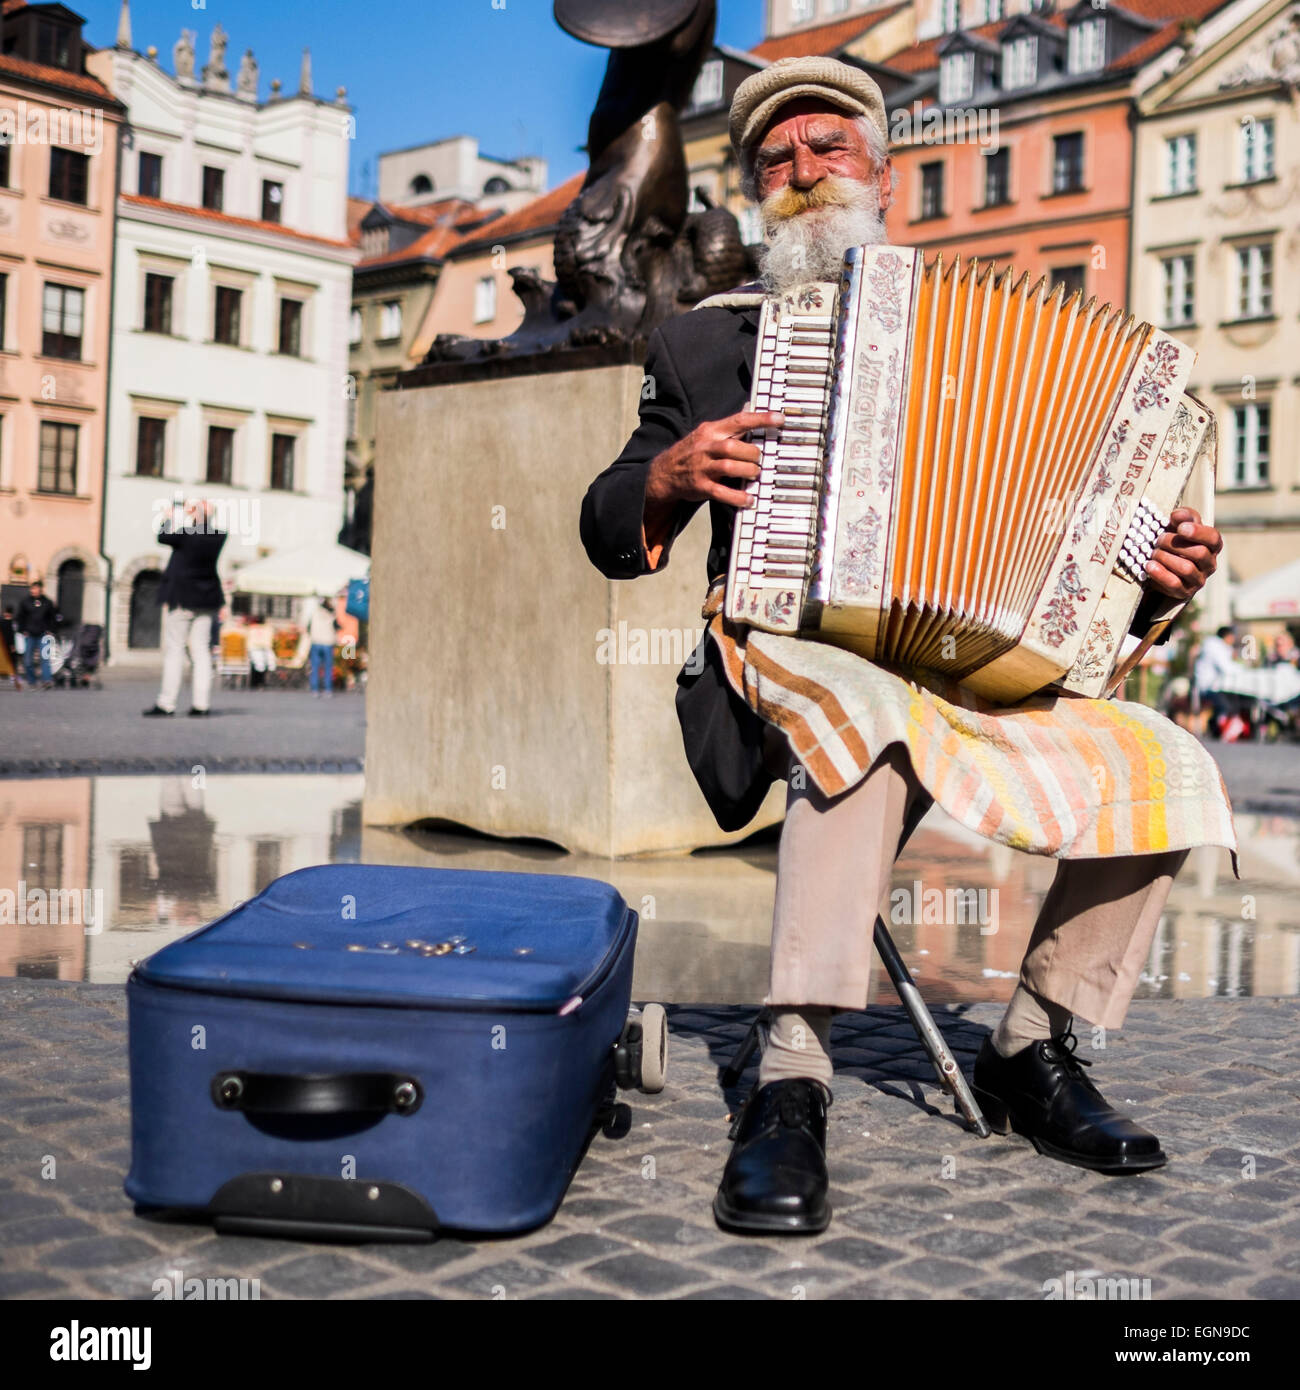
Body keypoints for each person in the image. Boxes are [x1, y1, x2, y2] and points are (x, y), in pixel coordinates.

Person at [580, 57, 1235, 1236]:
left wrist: (1155, 585)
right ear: (750, 190)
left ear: (881, 174)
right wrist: (667, 481)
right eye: (774, 160)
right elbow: (606, 521)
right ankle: (790, 1073)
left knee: (1165, 763)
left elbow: (1086, 562)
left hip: (968, 665)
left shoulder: (970, 331)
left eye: (828, 149)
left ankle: (1031, 1046)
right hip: (779, 645)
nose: (801, 174)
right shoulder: (703, 344)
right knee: (863, 719)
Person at [143, 498, 226, 718]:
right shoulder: (218, 536)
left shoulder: (186, 535)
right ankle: (201, 704)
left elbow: (162, 536)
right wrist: (199, 513)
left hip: (182, 597)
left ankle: (167, 703)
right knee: (201, 651)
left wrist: (169, 517)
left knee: (175, 649)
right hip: (207, 598)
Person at [1192, 625, 1240, 736]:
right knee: (1228, 705)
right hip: (1208, 686)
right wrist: (1243, 669)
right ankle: (1217, 728)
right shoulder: (1215, 647)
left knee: (1234, 700)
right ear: (1227, 637)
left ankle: (1221, 727)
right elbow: (1226, 668)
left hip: (1214, 685)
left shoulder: (1218, 647)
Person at [15, 578, 61, 689]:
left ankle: (47, 680)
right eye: (32, 589)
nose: (34, 591)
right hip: (29, 634)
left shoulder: (47, 602)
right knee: (27, 660)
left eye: (36, 589)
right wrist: (22, 630)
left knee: (45, 658)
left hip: (43, 635)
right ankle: (32, 681)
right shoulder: (25, 602)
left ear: (40, 589)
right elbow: (20, 617)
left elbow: (53, 618)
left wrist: (51, 630)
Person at [307, 595, 339, 698]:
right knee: (328, 667)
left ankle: (315, 689)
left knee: (315, 667)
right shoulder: (331, 614)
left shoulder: (314, 613)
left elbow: (308, 627)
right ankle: (328, 689)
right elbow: (337, 627)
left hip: (316, 641)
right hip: (328, 642)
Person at [0, 604, 19, 687]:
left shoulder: (4, 621)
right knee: (12, 660)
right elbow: (11, 635)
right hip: (8, 644)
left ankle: (11, 676)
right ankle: (13, 676)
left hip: (5, 644)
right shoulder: (12, 623)